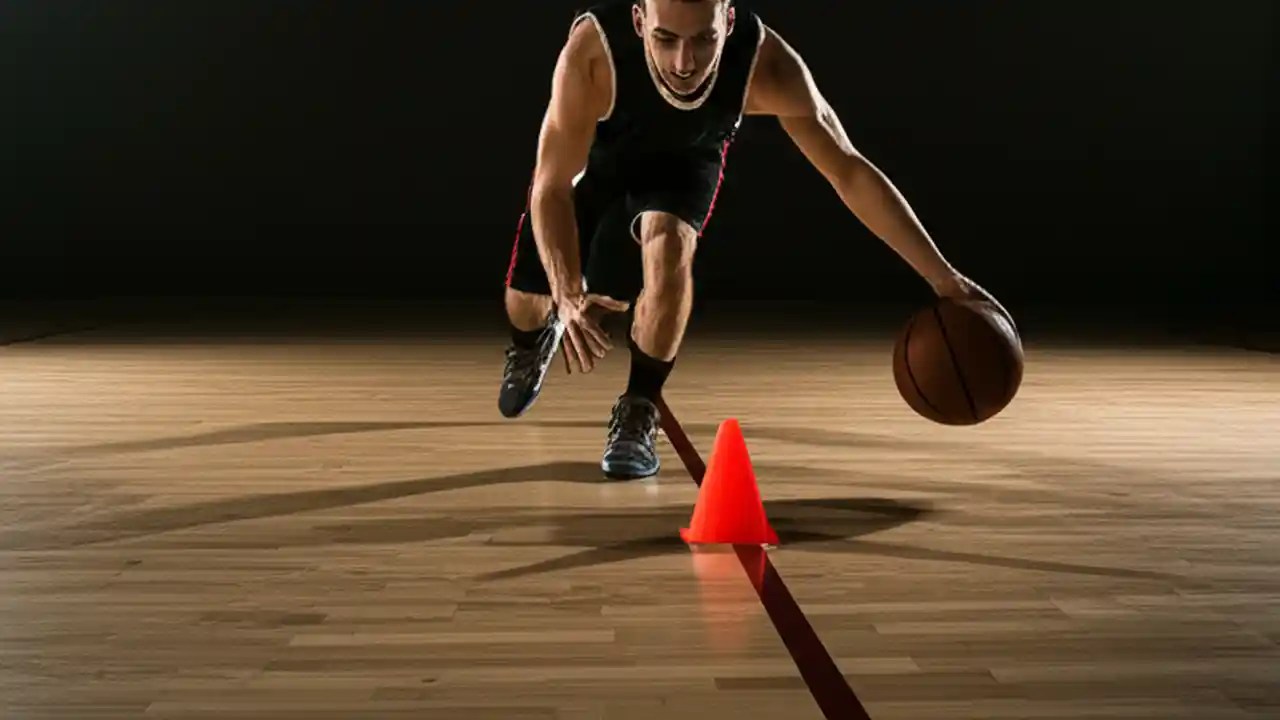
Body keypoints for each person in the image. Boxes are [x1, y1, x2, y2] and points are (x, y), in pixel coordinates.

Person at [499, 0, 1008, 480]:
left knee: (671, 247)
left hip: (685, 163)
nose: (684, 61)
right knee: (527, 301)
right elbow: (551, 186)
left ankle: (639, 405)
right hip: (603, 157)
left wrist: (944, 277)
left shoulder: (766, 65)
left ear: (729, 18)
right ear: (638, 20)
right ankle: (529, 343)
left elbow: (848, 171)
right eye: (665, 38)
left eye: (704, 39)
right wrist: (566, 291)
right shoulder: (593, 52)